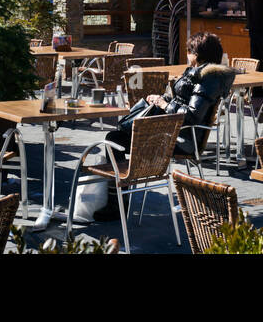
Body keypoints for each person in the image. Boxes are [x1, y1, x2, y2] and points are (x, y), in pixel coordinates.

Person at [92, 32, 235, 220]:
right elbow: (185, 103)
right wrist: (162, 98)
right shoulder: (202, 75)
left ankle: (118, 202)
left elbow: (191, 115)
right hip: (173, 131)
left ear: (197, 54)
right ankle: (119, 197)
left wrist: (164, 104)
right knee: (115, 139)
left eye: (189, 51)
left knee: (114, 140)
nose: (187, 55)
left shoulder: (208, 79)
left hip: (182, 138)